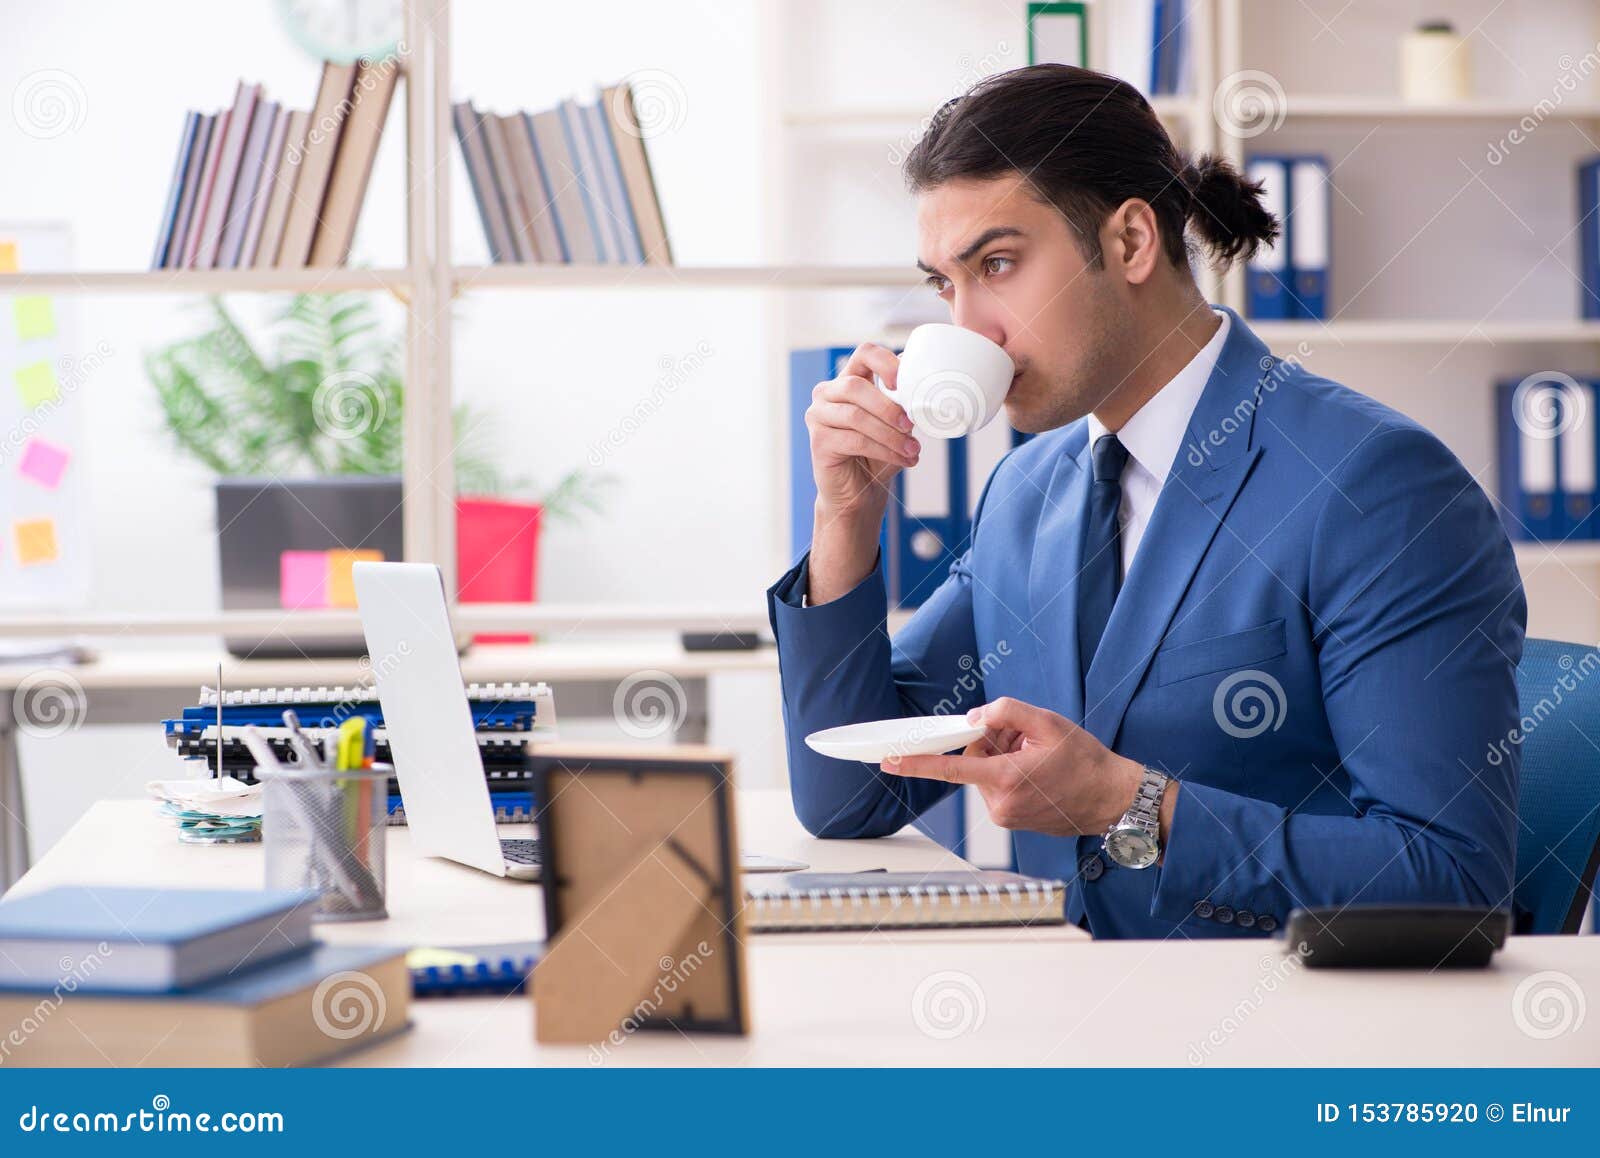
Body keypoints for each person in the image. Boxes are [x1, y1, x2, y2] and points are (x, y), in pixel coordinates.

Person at [765, 64, 1526, 938]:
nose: (968, 326)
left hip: (1272, 1017)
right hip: (1061, 1004)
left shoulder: (1374, 486)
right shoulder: (1025, 494)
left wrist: (1133, 804)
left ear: (1130, 241)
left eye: (997, 264)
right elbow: (849, 795)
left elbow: (1453, 884)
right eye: (945, 283)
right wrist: (846, 519)